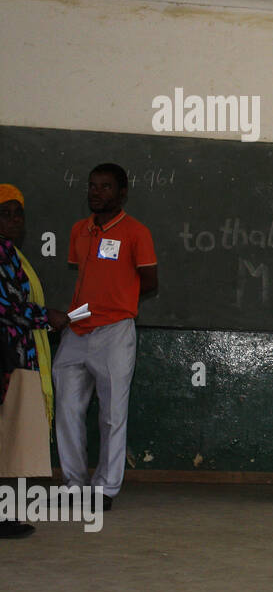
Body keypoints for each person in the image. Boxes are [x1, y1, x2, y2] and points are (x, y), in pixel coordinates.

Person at [53, 164, 158, 509]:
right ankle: (73, 484)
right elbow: (86, 277)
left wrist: (118, 302)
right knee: (67, 408)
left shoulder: (136, 232)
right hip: (77, 326)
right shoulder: (78, 231)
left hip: (115, 331)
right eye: (93, 186)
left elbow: (150, 281)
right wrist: (78, 314)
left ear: (122, 193)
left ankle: (105, 490)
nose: (97, 192)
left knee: (112, 414)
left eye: (106, 187)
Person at [0, 186, 70, 538]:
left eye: (18, 213)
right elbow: (6, 306)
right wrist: (47, 316)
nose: (14, 219)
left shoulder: (11, 254)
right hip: (5, 355)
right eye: (5, 213)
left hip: (15, 353)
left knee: (7, 434)